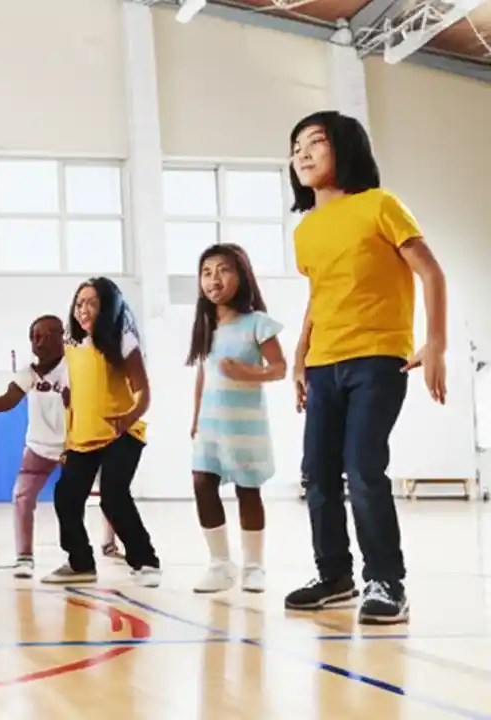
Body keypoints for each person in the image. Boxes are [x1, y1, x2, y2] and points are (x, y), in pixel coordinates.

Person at [283, 110, 447, 625]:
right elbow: (320, 294)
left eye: (316, 143)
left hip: (378, 360)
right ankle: (334, 576)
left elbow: (430, 270)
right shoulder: (306, 230)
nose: (303, 154)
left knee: (363, 468)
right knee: (317, 474)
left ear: (346, 149)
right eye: (296, 147)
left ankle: (386, 581)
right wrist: (299, 356)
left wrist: (435, 342)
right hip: (324, 363)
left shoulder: (381, 205)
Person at [43, 277, 160, 587]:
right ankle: (80, 563)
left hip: (122, 433)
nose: (83, 309)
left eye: (92, 303)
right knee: (66, 496)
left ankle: (145, 561)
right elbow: (75, 398)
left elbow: (143, 393)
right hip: (83, 438)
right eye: (79, 303)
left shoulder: (123, 342)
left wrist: (128, 417)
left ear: (107, 307)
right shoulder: (72, 348)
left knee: (113, 494)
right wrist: (67, 443)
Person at [185, 244, 286, 594]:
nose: (214, 279)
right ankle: (219, 564)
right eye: (206, 272)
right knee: (201, 483)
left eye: (223, 270)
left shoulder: (257, 323)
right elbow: (203, 374)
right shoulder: (206, 326)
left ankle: (254, 566)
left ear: (242, 275)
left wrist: (245, 371)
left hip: (245, 427)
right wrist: (196, 417)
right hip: (210, 425)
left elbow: (279, 369)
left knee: (248, 489)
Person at [0, 315, 66, 578]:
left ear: (61, 337)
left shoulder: (72, 370)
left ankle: (104, 545)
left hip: (73, 448)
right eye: (34, 336)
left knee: (81, 501)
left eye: (45, 335)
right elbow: (8, 400)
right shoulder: (28, 373)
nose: (38, 342)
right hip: (38, 447)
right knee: (22, 497)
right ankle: (24, 557)